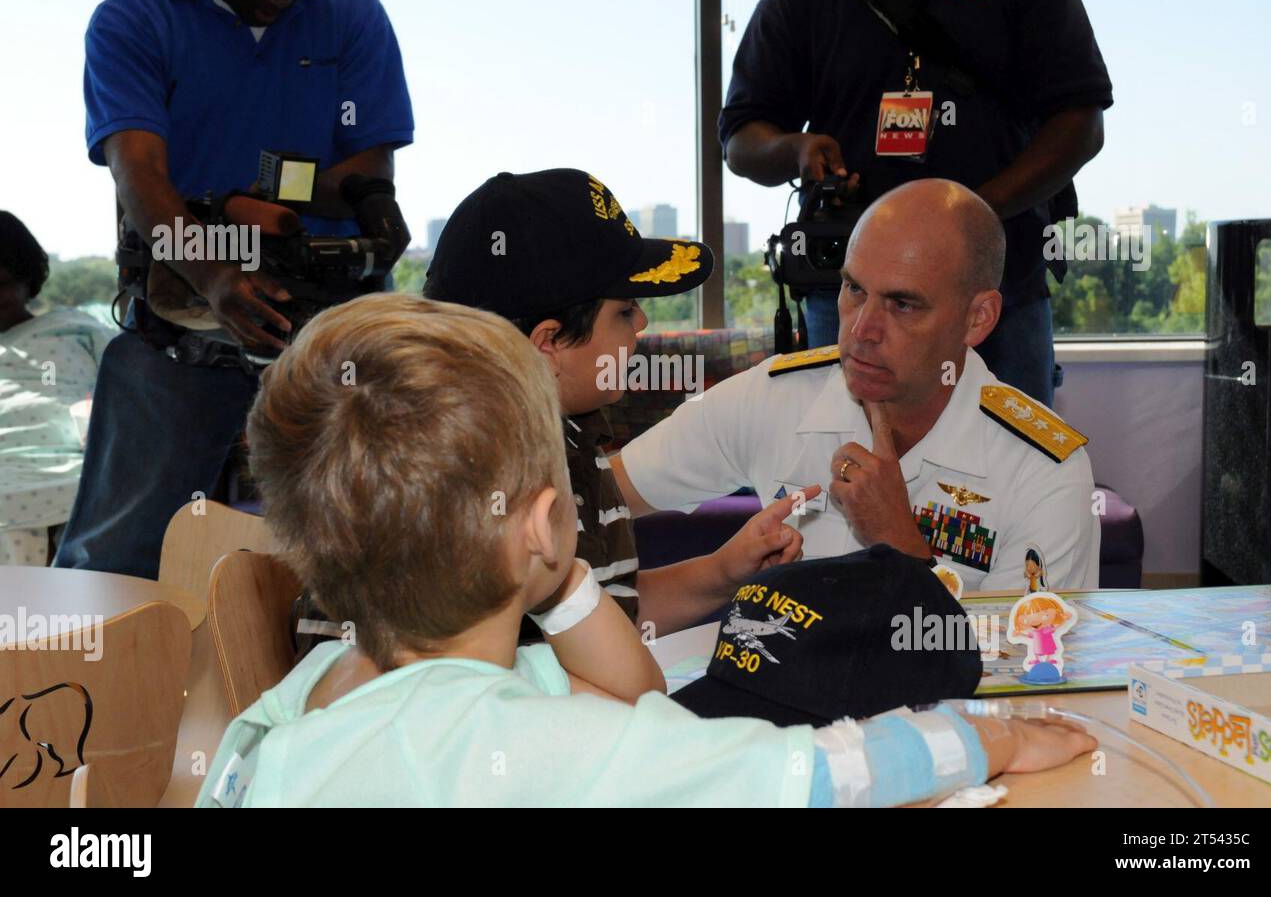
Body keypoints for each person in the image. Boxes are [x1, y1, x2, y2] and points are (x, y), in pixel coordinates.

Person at [197, 292, 1095, 807]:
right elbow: (826, 775)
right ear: (545, 527)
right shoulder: (572, 752)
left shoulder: (288, 715)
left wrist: (545, 573)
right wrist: (996, 739)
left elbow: (635, 690)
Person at [55, 0, 413, 579]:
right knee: (117, 555)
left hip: (328, 328)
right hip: (185, 320)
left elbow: (367, 167)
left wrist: (265, 196)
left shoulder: (350, 10)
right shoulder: (134, 19)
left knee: (369, 542)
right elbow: (137, 171)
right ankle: (88, 670)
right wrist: (215, 272)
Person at [613, 179, 1101, 592]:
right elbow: (597, 497)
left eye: (903, 305)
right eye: (854, 290)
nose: (861, 330)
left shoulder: (1043, 470)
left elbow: (1028, 675)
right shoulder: (776, 396)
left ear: (978, 318)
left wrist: (898, 544)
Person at [423, 169, 817, 638]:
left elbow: (607, 616)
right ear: (548, 344)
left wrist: (723, 571)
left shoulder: (572, 434)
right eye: (625, 311)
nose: (644, 320)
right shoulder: (479, 482)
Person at [722, 0, 1112, 405]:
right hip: (849, 293)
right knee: (849, 459)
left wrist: (975, 212)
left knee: (1015, 466)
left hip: (998, 289)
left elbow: (1081, 126)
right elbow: (741, 138)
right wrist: (795, 149)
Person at [0, 212, 115, 565]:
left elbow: (129, 385)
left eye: (0, 284)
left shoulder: (76, 328)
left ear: (26, 280)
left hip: (81, 467)